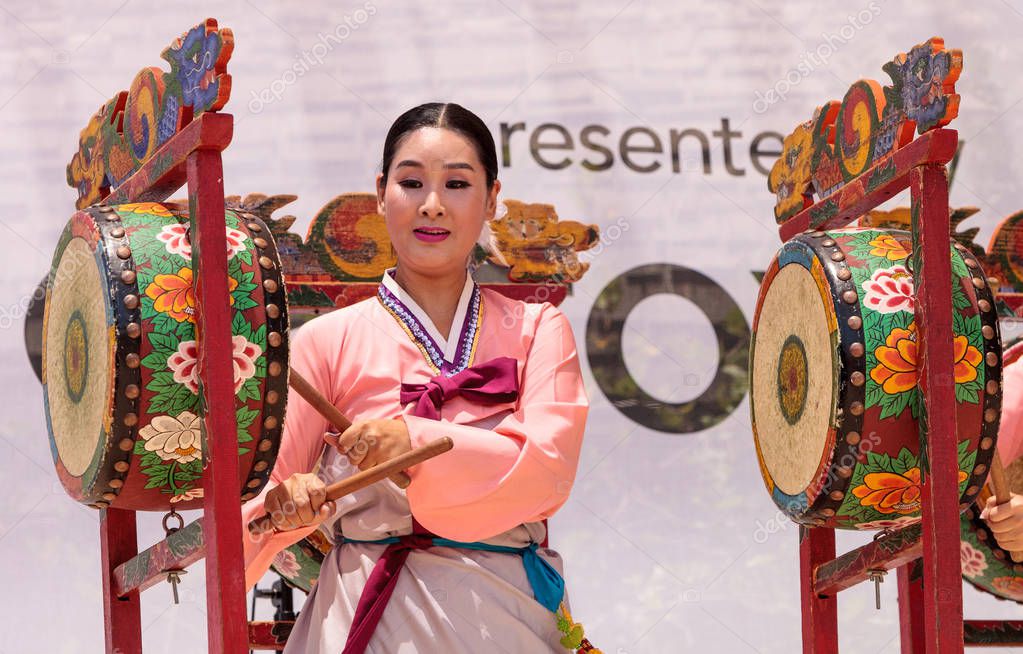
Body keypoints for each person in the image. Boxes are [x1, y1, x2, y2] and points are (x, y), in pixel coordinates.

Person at [240, 102, 591, 653]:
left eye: (456, 183)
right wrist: (287, 506)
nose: (432, 206)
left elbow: (546, 472)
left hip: (507, 616)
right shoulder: (325, 342)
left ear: (492, 198)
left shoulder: (539, 329)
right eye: (411, 182)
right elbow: (258, 507)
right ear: (381, 193)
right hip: (368, 611)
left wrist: (413, 441)